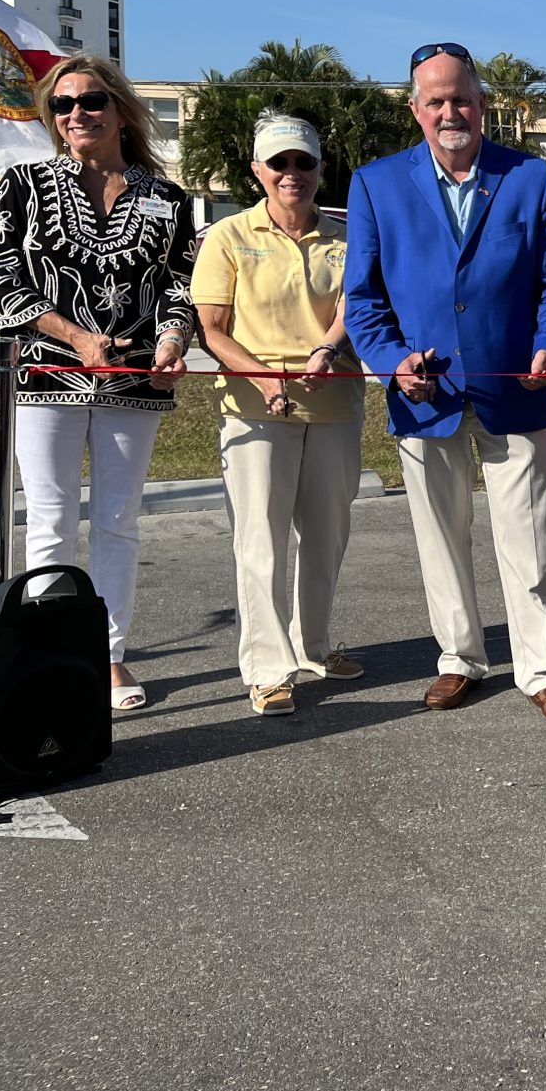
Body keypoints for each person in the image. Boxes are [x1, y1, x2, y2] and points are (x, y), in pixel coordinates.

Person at [342, 42, 546, 723]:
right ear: (415, 109)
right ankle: (459, 659)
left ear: (482, 105)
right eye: (436, 101)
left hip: (517, 389)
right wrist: (393, 362)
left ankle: (544, 671)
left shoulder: (532, 179)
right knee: (440, 537)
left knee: (530, 537)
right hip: (425, 397)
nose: (450, 112)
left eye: (461, 99)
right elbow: (363, 298)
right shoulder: (375, 184)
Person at [0, 53, 195, 712]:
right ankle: (48, 656)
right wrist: (75, 338)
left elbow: (180, 285)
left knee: (117, 521)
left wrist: (171, 343)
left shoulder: (167, 198)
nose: (77, 113)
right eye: (63, 104)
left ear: (119, 109)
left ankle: (109, 655)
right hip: (48, 373)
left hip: (135, 379)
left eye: (92, 100)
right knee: (49, 518)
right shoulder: (23, 183)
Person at [191, 112, 366, 716]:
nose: (292, 173)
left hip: (334, 401)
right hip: (253, 407)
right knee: (261, 540)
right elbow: (212, 329)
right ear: (257, 171)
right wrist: (264, 377)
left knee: (327, 535)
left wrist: (327, 349)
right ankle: (267, 668)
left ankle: (313, 646)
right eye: (279, 163)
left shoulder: (348, 237)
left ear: (320, 168)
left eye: (303, 162)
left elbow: (352, 307)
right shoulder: (228, 235)